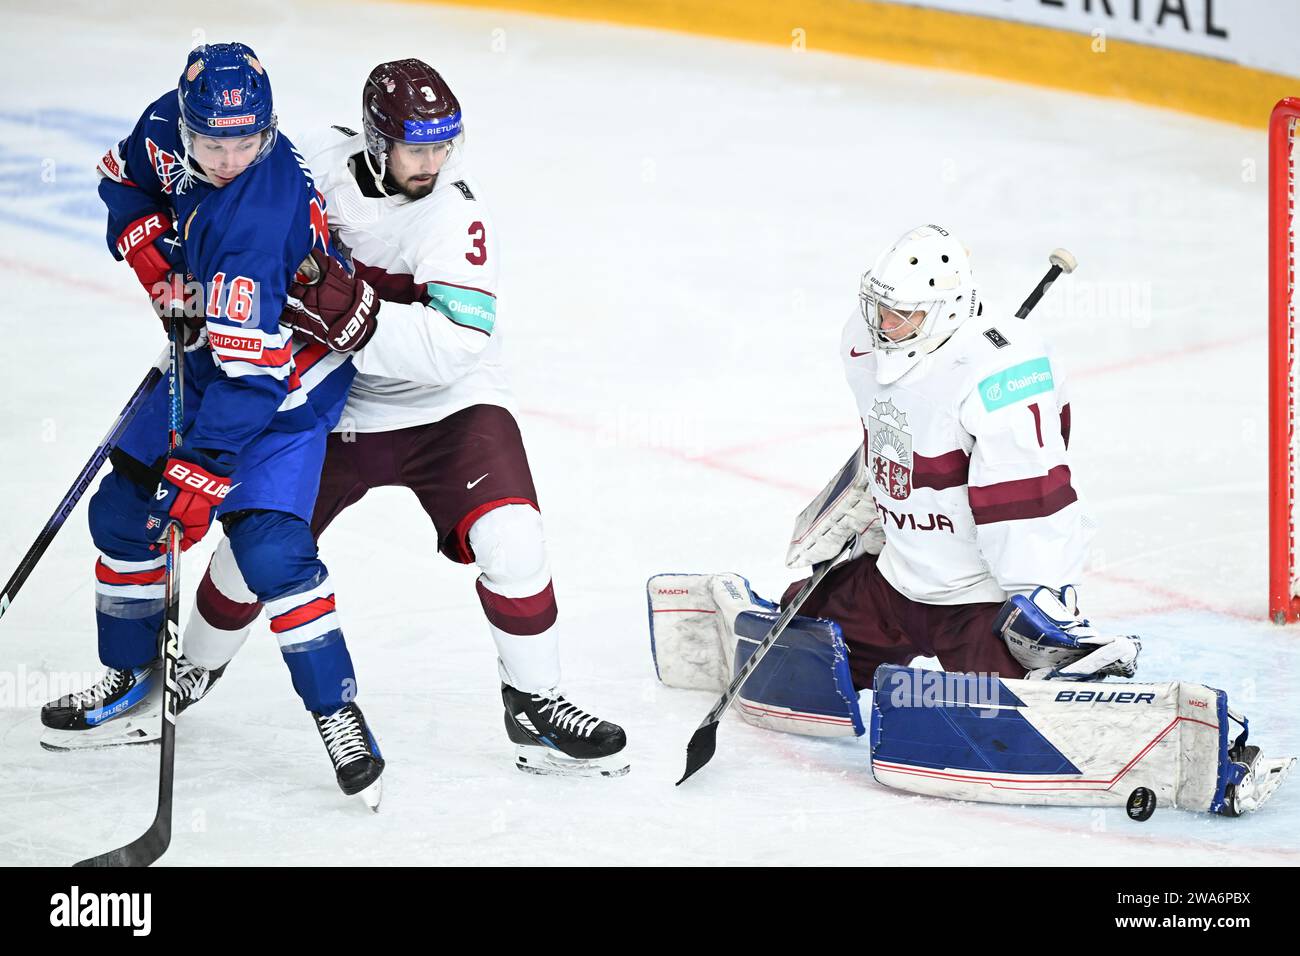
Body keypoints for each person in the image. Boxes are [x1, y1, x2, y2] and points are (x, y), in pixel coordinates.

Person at [650, 224, 1291, 815]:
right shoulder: (861, 339)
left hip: (975, 605)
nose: (884, 324)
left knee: (1027, 710)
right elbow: (888, 436)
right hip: (895, 579)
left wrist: (1038, 600)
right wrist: (862, 512)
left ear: (949, 310)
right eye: (880, 307)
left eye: (903, 314)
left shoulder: (1004, 375)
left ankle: (1184, 738)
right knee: (806, 633)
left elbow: (1031, 502)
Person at [179, 58, 627, 778]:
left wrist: (355, 319)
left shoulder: (458, 219)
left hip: (447, 407)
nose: (433, 162)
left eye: (443, 146)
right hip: (334, 399)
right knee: (256, 547)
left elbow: (455, 347)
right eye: (417, 148)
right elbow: (232, 177)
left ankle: (536, 702)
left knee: (513, 540)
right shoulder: (316, 160)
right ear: (373, 140)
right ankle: (191, 668)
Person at [40, 43, 386, 807]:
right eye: (212, 142)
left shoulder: (254, 224)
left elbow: (254, 380)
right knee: (123, 513)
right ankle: (132, 680)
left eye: (245, 142)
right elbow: (125, 182)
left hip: (287, 386)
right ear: (186, 120)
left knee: (270, 553)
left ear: (268, 129)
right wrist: (159, 269)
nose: (228, 157)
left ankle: (339, 713)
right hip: (214, 361)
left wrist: (199, 473)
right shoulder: (164, 127)